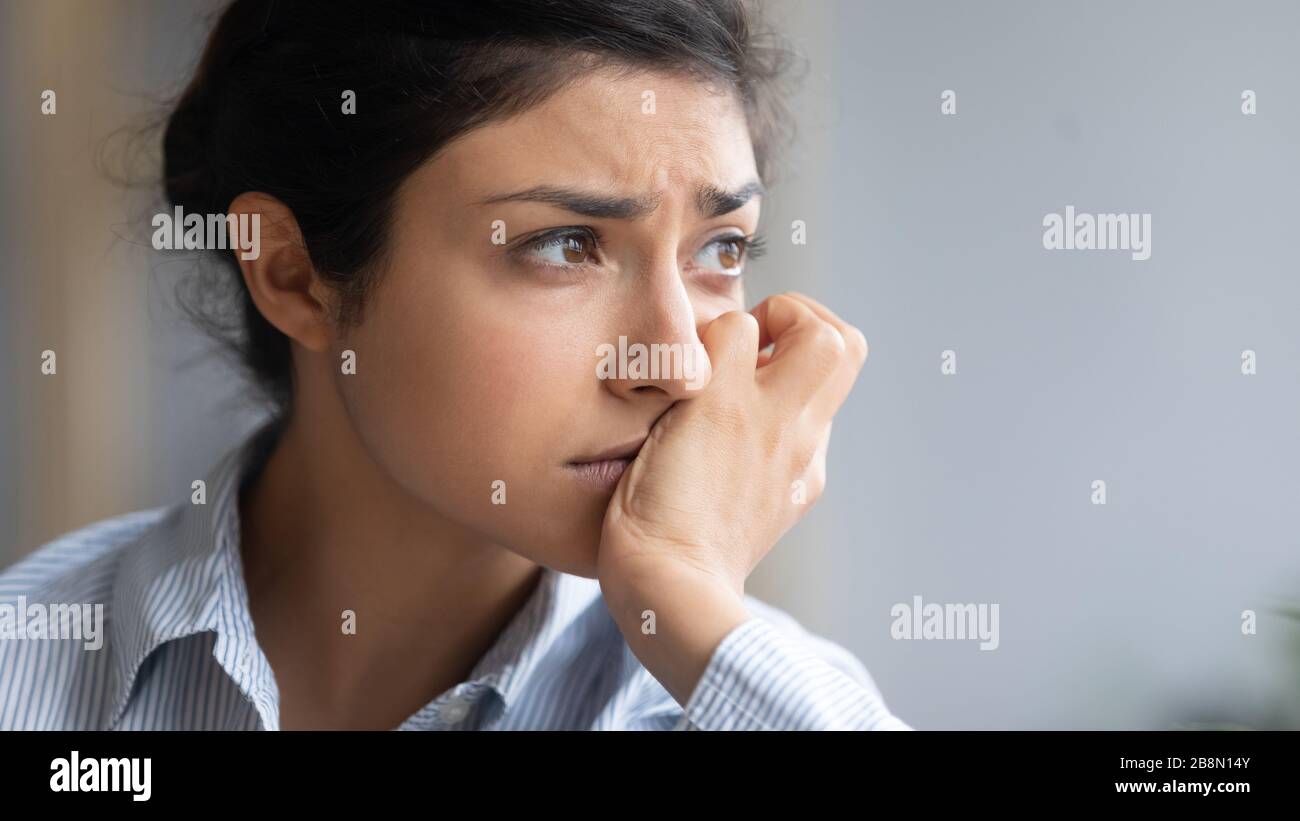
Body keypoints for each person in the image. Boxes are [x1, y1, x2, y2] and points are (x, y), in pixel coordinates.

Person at [0, 0, 910, 730]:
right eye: (563, 245)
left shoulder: (738, 692)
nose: (674, 361)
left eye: (720, 248)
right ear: (294, 273)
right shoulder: (25, 666)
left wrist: (685, 594)